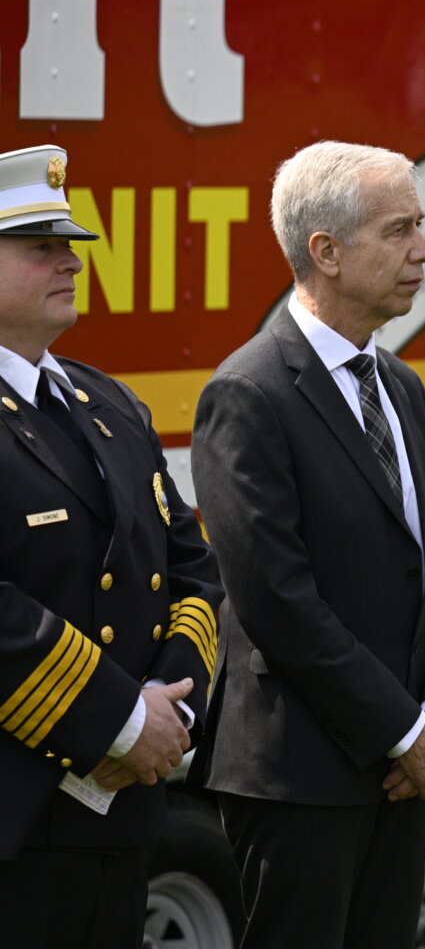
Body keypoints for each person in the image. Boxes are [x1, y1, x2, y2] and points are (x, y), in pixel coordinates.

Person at [190, 141, 425, 948]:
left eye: (421, 226)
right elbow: (277, 604)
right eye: (399, 231)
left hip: (400, 775)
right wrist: (405, 730)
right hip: (300, 783)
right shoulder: (247, 395)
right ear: (326, 251)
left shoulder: (402, 388)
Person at [0, 144, 221, 946]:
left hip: (120, 814)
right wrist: (122, 720)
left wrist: (170, 711)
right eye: (40, 247)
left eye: (71, 243)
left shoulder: (108, 403)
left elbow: (193, 570)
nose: (70, 259)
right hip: (17, 821)